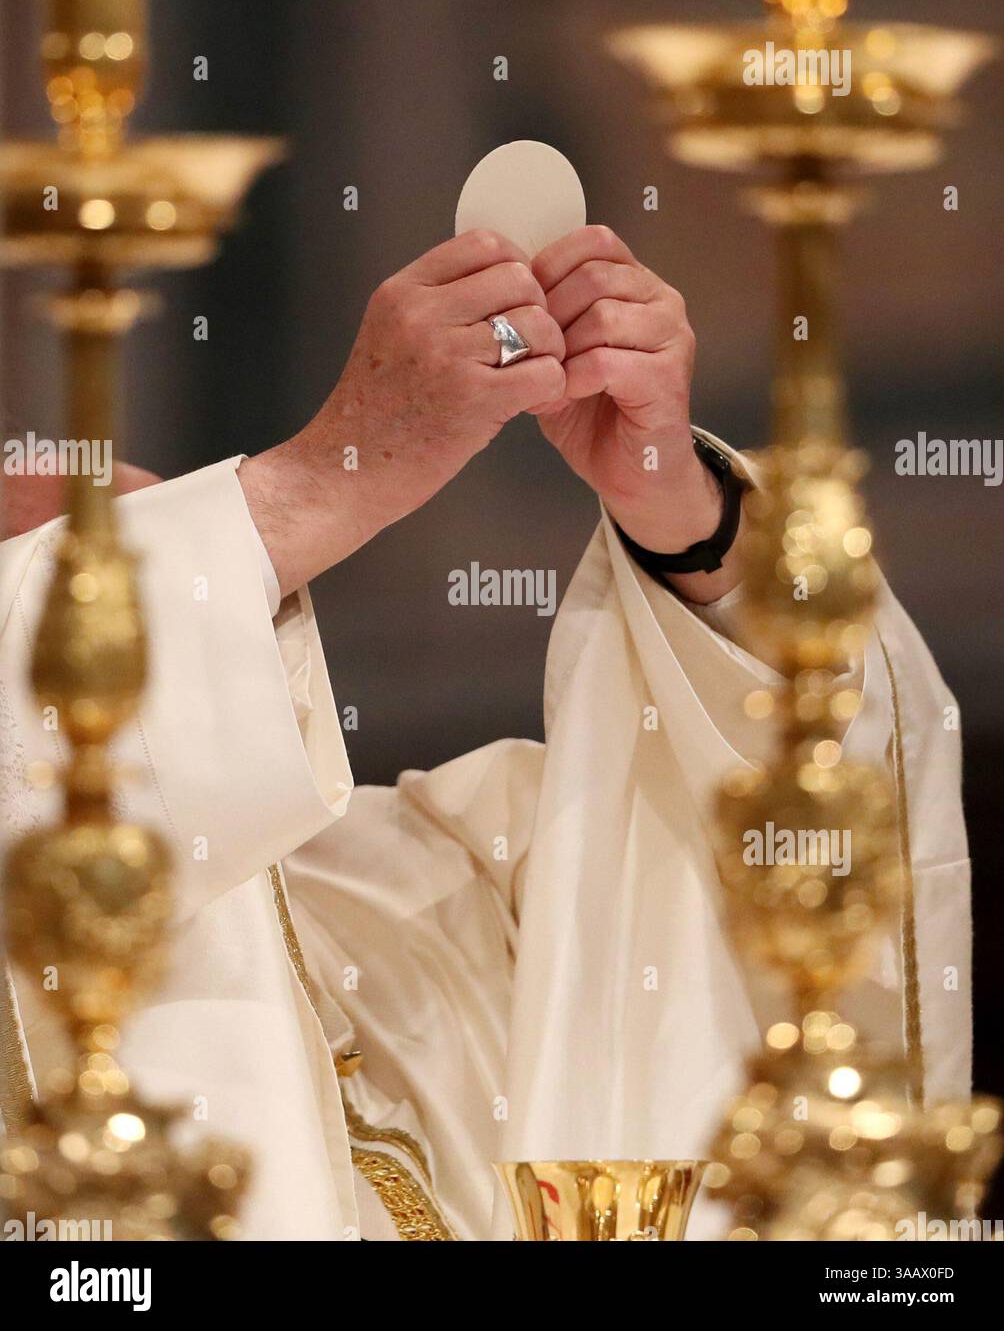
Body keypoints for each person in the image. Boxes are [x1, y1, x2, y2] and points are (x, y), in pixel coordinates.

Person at [1, 227, 970, 1240]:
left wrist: (684, 519)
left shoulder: (432, 876)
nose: (136, 499)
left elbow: (766, 856)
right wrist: (328, 476)